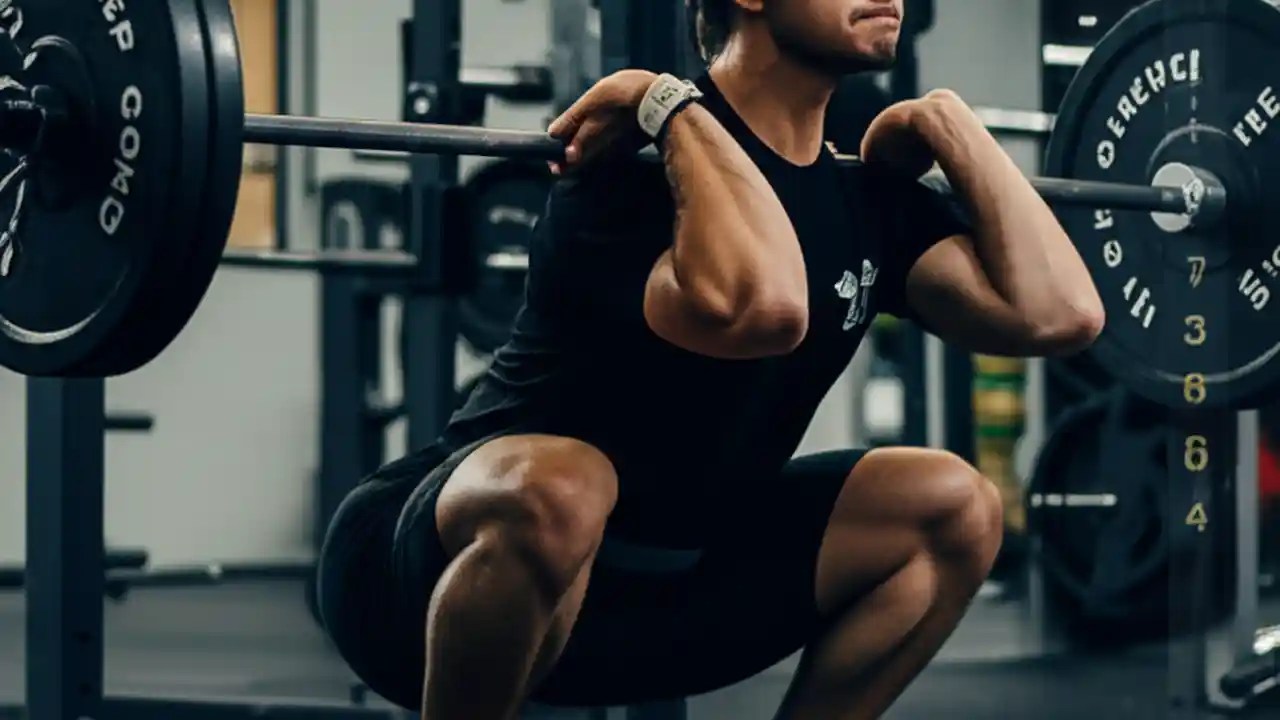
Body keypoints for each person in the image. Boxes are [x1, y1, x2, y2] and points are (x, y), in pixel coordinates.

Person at [316, 0, 1105, 718]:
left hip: (675, 589)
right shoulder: (628, 169)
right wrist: (664, 105)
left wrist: (953, 128)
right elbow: (761, 310)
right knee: (565, 484)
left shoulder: (865, 196)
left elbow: (1063, 312)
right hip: (425, 586)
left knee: (955, 505)